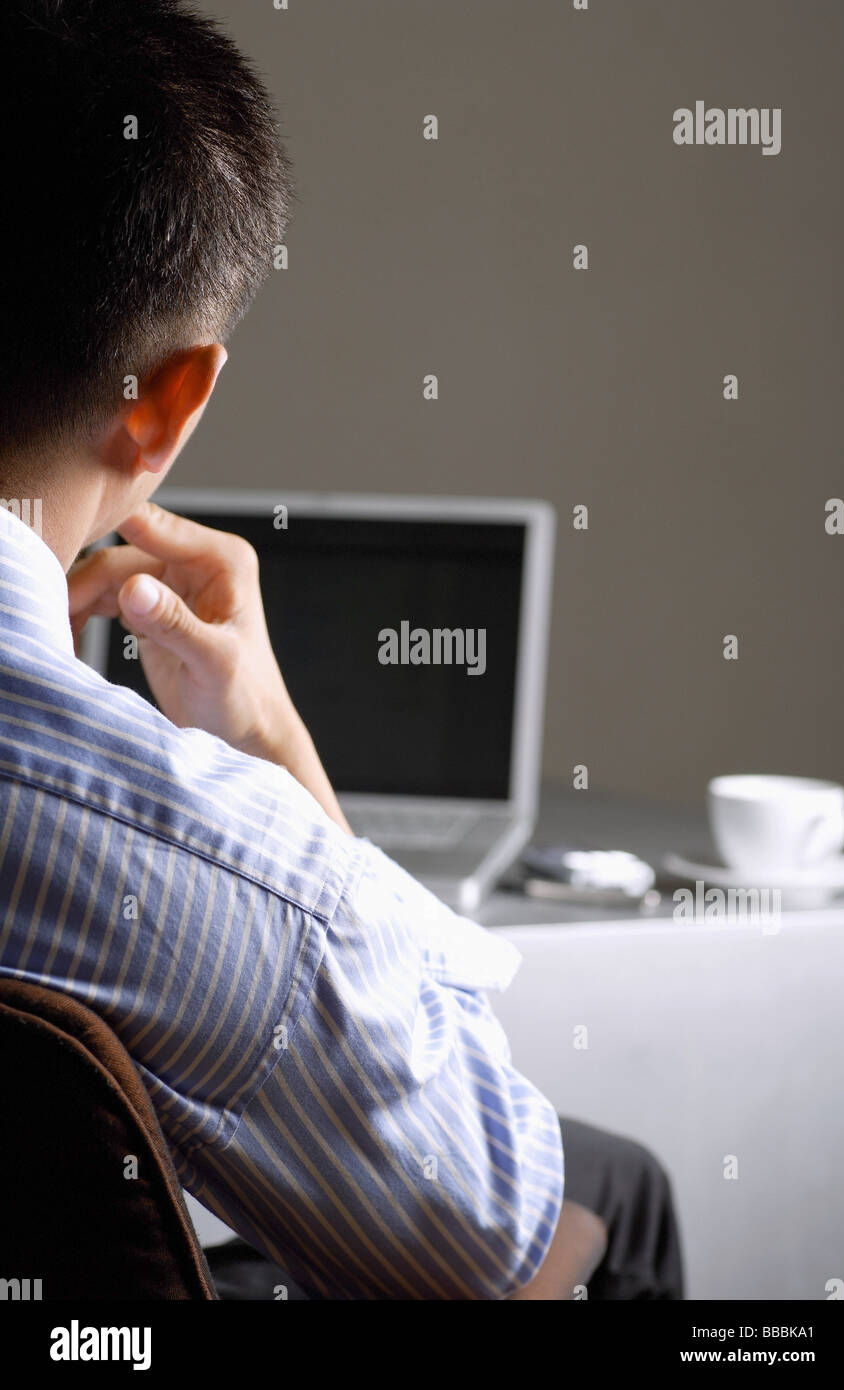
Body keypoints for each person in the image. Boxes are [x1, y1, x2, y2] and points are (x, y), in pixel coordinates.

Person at [0, 0, 683, 1299]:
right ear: (168, 400)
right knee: (613, 1199)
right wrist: (268, 765)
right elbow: (500, 1245)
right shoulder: (229, 881)